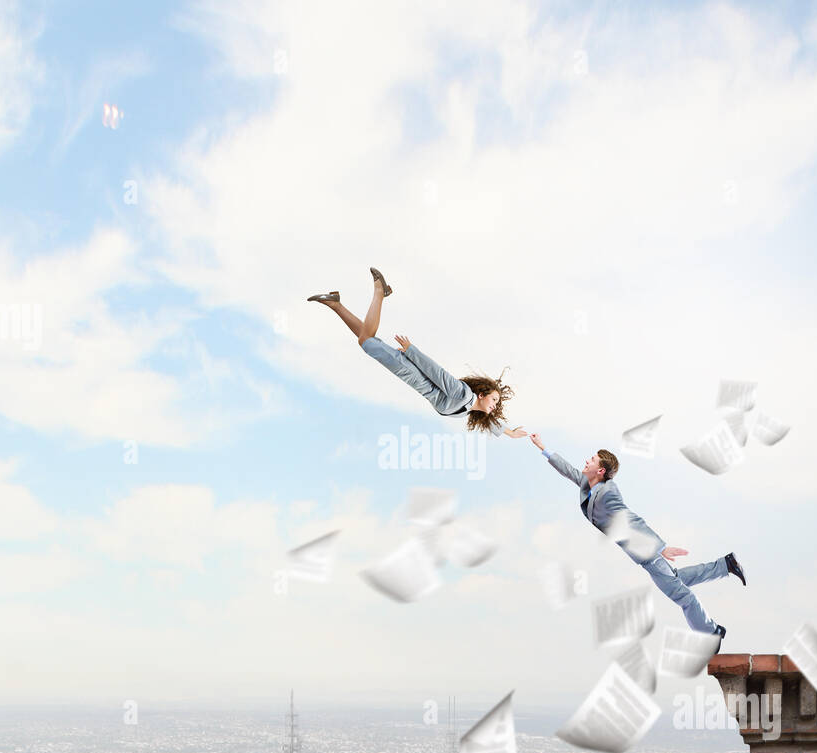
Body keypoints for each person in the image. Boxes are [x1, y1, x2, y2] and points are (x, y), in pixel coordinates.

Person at [529, 433, 745, 640]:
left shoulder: (608, 493)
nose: (586, 460)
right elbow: (569, 471)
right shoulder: (590, 485)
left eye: (592, 459)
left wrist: (660, 548)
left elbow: (633, 520)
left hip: (648, 552)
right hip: (643, 553)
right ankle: (725, 565)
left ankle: (711, 631)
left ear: (601, 470)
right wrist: (543, 448)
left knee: (681, 596)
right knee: (678, 578)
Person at [309, 267, 526, 437]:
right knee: (367, 341)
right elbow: (437, 372)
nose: (495, 405)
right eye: (495, 400)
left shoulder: (468, 408)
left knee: (368, 340)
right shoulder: (463, 395)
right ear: (482, 395)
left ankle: (335, 304)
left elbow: (494, 425)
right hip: (408, 369)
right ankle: (379, 292)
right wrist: (412, 351)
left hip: (408, 374)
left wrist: (512, 434)